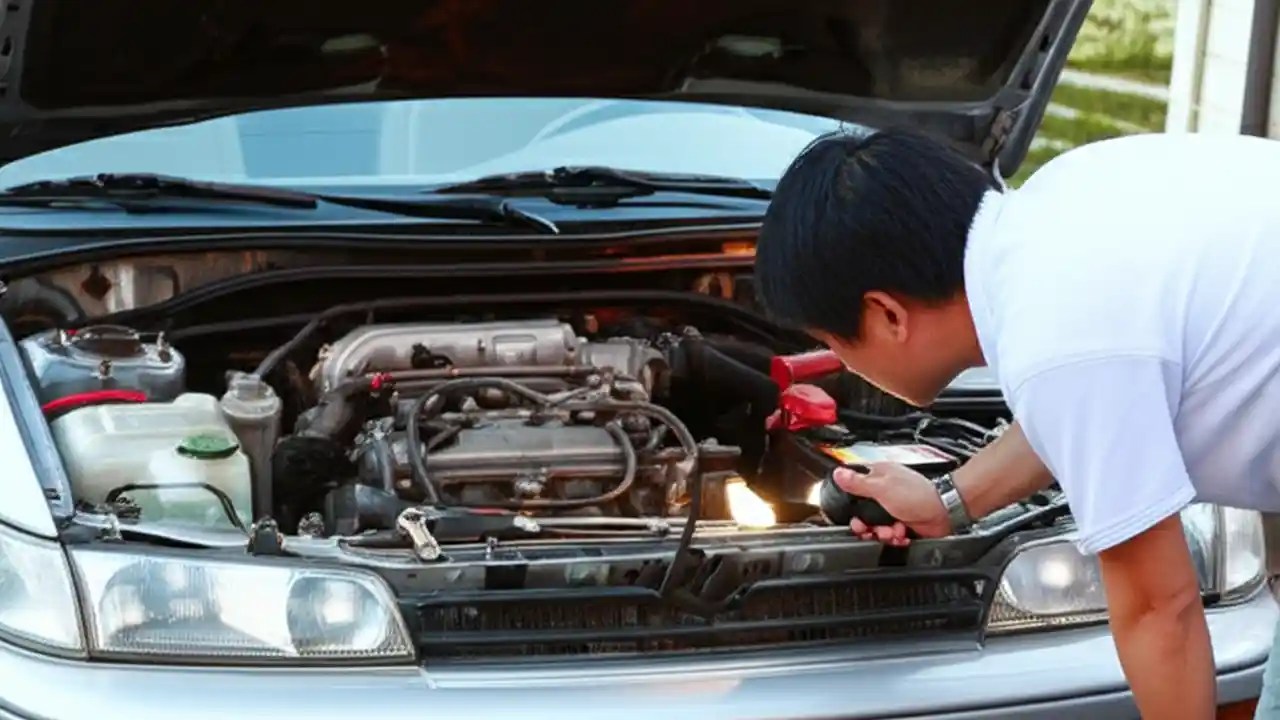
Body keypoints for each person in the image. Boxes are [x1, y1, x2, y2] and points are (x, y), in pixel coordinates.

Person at [752, 127, 1280, 720]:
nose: (840, 364)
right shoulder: (1057, 207)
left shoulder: (1058, 341)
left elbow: (1162, 610)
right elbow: (1085, 414)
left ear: (887, 314)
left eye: (832, 342)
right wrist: (949, 503)